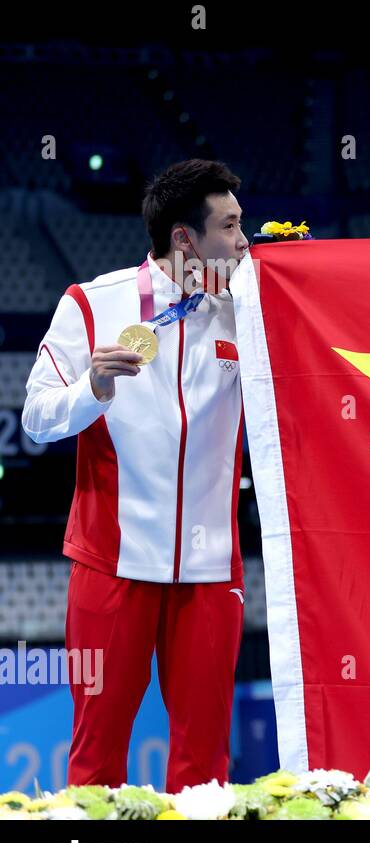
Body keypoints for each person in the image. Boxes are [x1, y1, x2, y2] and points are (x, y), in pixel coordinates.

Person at [21, 159, 250, 792]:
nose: (243, 241)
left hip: (209, 571)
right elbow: (37, 419)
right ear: (184, 239)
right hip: (111, 563)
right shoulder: (92, 304)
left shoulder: (249, 311)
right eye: (229, 227)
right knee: (96, 761)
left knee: (205, 770)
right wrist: (92, 389)